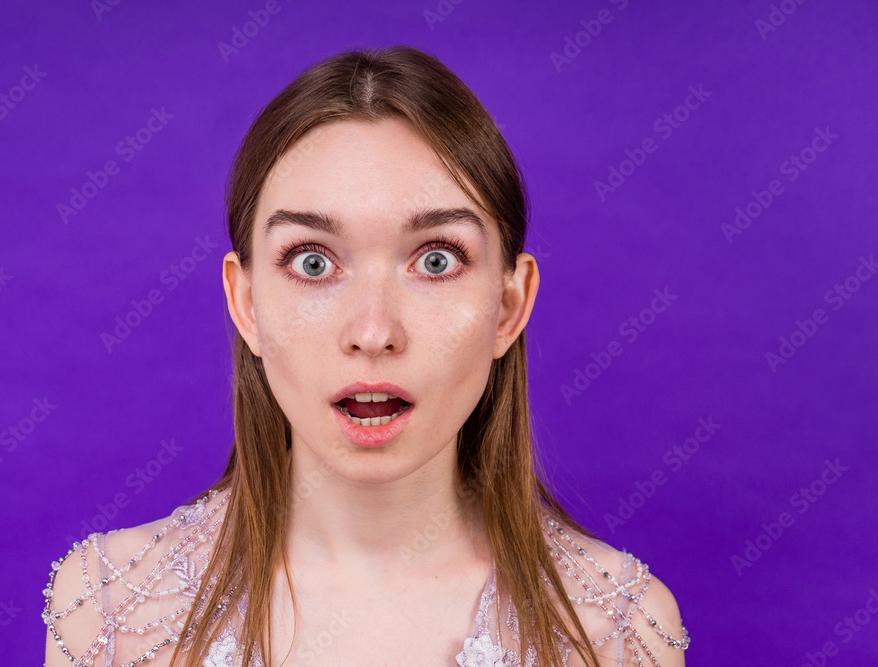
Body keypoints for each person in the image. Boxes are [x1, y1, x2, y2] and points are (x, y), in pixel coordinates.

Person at [43, 45, 690, 667]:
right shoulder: (108, 608)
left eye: (437, 260)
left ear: (508, 306)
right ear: (245, 305)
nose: (374, 331)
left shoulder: (620, 627)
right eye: (313, 261)